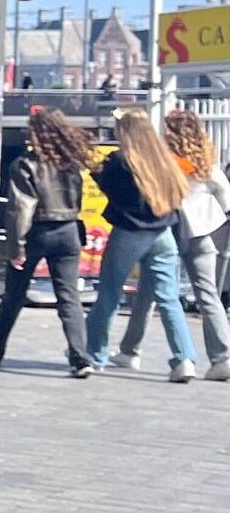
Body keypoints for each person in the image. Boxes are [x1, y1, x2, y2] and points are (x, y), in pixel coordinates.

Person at [85, 107, 197, 379]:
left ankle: (95, 353)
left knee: (110, 295)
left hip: (129, 233)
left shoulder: (120, 162)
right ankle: (185, 359)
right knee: (169, 298)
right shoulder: (163, 160)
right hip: (163, 233)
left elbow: (103, 184)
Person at [117, 109, 230, 379]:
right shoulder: (204, 163)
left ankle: (130, 351)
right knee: (208, 295)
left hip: (167, 232)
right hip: (202, 233)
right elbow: (224, 193)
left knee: (148, 291)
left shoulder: (164, 162)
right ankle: (222, 357)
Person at [0, 108, 94, 377]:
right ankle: (80, 357)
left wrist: (16, 249)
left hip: (38, 231)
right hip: (69, 230)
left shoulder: (26, 165)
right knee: (69, 297)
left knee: (14, 295)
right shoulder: (71, 163)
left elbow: (19, 210)